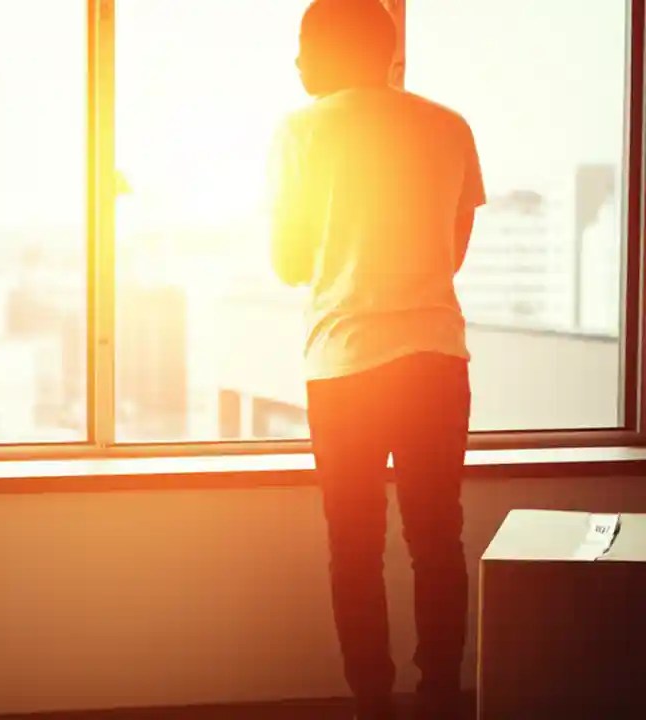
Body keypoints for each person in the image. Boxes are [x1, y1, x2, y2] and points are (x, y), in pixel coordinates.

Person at [268, 1, 485, 718]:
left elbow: (290, 263)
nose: (296, 63)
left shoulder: (299, 131)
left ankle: (371, 702)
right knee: (436, 540)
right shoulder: (450, 127)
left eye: (302, 47)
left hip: (345, 362)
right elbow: (452, 251)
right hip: (434, 359)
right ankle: (441, 696)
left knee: (353, 550)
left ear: (329, 52)